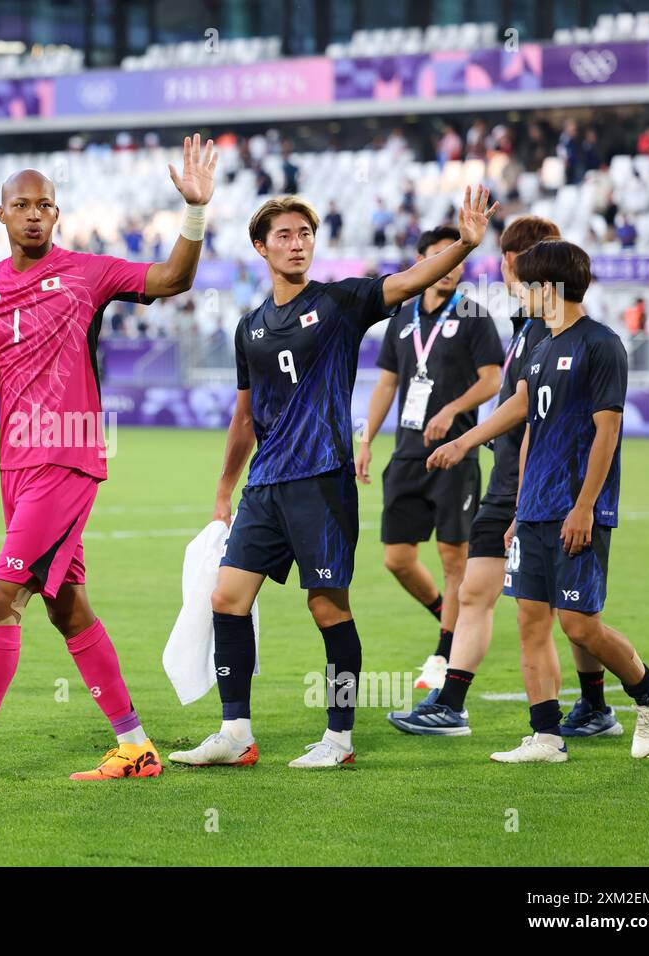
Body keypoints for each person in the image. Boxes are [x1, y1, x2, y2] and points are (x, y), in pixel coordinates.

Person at [0, 134, 218, 790]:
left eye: (46, 204)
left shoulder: (88, 273)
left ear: (58, 213)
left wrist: (193, 212)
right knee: (66, 605)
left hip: (68, 456)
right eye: (23, 204)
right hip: (15, 467)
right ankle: (134, 746)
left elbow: (172, 279)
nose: (36, 213)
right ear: (3, 215)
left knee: (0, 600)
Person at [167, 186, 498, 771]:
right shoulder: (250, 327)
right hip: (265, 484)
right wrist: (225, 488)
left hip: (322, 482)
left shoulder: (342, 301)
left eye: (305, 235)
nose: (298, 244)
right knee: (227, 597)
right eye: (285, 236)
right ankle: (236, 731)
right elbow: (245, 414)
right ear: (260, 247)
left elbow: (407, 281)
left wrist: (464, 247)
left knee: (327, 609)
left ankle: (339, 740)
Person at [391, 215, 626, 738]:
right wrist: (467, 440)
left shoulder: (559, 330)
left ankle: (597, 704)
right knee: (481, 591)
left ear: (514, 263)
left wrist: (531, 490)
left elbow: (535, 414)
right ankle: (453, 703)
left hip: (539, 486)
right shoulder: (529, 326)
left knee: (564, 612)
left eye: (503, 258)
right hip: (509, 481)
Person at [494, 240, 649, 762]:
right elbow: (527, 420)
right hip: (533, 511)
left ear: (548, 288)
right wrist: (516, 507)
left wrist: (585, 505)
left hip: (576, 508)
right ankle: (546, 736)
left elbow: (607, 431)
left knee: (578, 625)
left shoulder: (601, 344)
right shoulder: (542, 345)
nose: (520, 292)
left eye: (527, 284)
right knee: (530, 620)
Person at [358, 226, 503, 691]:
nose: (450, 267)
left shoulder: (473, 314)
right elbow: (386, 383)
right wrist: (366, 440)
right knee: (397, 558)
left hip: (454, 453)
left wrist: (452, 409)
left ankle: (444, 654)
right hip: (405, 454)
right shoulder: (401, 317)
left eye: (456, 258)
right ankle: (450, 618)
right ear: (421, 261)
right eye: (439, 257)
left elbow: (493, 380)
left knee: (452, 557)